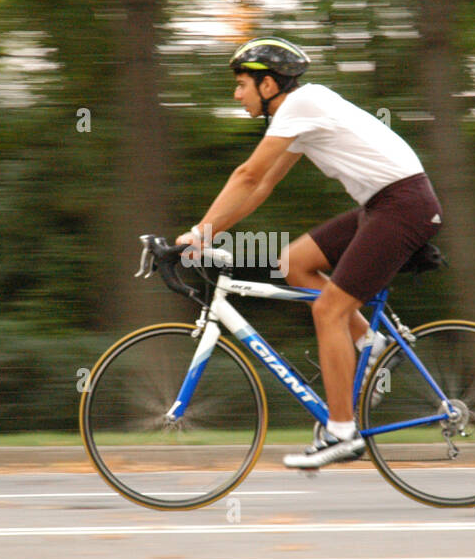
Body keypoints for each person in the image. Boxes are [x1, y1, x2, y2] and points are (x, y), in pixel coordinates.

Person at [177, 36, 444, 469]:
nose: (237, 94)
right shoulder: (298, 114)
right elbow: (262, 185)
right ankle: (371, 345)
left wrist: (198, 232)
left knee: (328, 311)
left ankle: (342, 432)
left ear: (268, 85)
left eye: (242, 84)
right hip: (383, 205)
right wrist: (208, 235)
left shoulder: (302, 104)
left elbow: (247, 175)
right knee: (293, 263)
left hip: (402, 205)